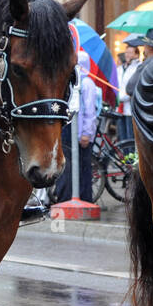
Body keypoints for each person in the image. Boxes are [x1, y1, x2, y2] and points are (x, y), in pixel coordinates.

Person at [54, 51, 100, 203]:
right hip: (67, 130)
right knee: (66, 168)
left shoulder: (87, 84)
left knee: (83, 168)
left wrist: (86, 133)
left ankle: (85, 198)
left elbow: (90, 111)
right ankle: (64, 198)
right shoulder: (69, 82)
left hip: (81, 135)